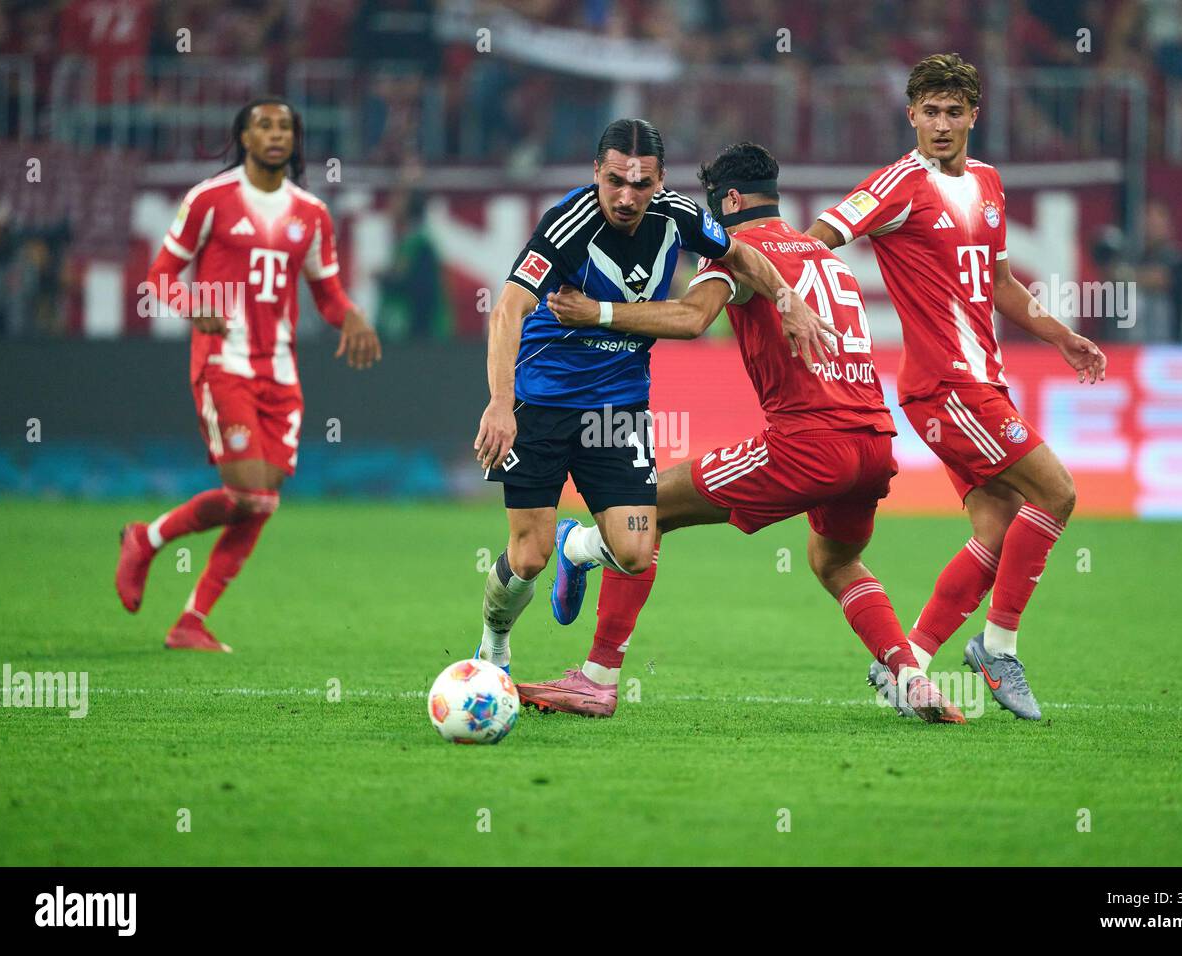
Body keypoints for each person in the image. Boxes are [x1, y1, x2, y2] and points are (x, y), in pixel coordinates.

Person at [513, 142, 963, 724]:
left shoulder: (737, 250)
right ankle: (910, 677)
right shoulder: (826, 257)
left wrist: (594, 312)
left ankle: (595, 671)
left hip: (808, 445)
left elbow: (691, 319)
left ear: (727, 199)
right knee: (836, 563)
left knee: (641, 511)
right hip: (875, 444)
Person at [806, 54, 1107, 720]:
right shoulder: (895, 183)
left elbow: (998, 284)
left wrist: (1061, 334)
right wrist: (789, 296)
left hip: (979, 381)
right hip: (946, 385)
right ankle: (998, 647)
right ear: (911, 114)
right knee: (1057, 493)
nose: (941, 124)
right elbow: (816, 240)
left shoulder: (991, 184)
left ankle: (907, 663)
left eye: (953, 111)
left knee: (999, 529)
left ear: (974, 114)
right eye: (929, 112)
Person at [472, 119, 831, 676]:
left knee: (636, 553)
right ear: (597, 173)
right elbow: (508, 309)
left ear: (661, 180)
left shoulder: (681, 217)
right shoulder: (568, 226)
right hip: (540, 402)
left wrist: (787, 298)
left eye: (641, 184)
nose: (626, 196)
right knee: (526, 556)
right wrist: (500, 404)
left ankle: (577, 549)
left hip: (619, 406)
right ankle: (495, 643)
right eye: (615, 180)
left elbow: (743, 257)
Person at [115, 97, 382, 652]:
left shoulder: (311, 213)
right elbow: (159, 276)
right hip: (223, 364)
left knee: (260, 502)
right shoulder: (210, 199)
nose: (276, 133)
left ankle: (191, 619)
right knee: (246, 493)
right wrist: (192, 305)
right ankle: (148, 538)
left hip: (280, 372)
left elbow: (326, 294)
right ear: (243, 137)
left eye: (285, 126)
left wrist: (351, 318)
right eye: (264, 124)